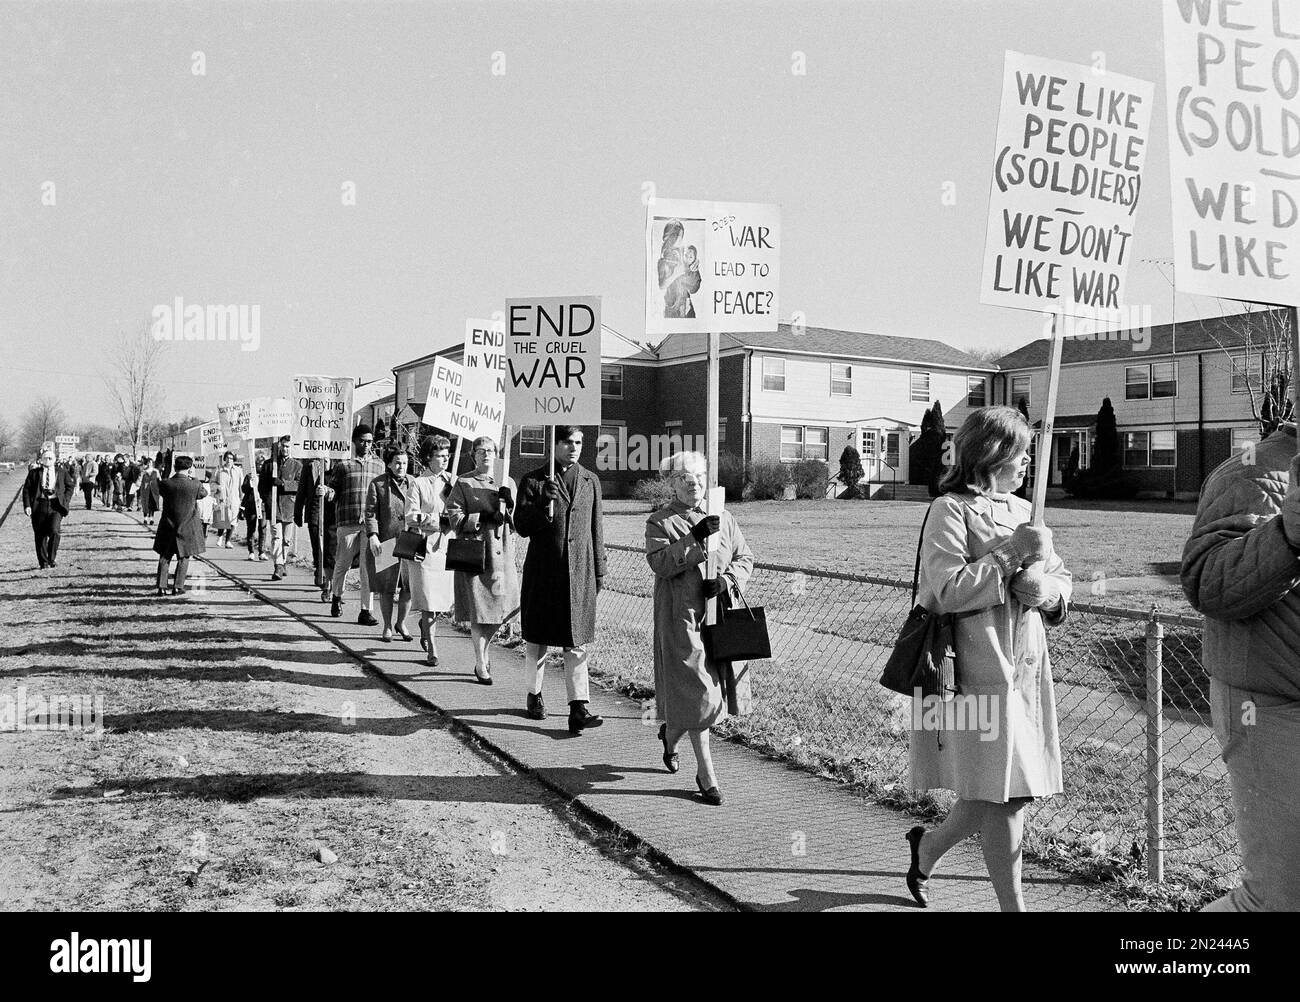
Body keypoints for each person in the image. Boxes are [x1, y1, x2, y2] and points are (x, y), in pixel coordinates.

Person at [903, 406, 1071, 912]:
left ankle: (926, 848)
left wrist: (1047, 591)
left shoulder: (1025, 512)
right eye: (1020, 454)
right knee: (1006, 795)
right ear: (993, 453)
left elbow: (1061, 580)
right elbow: (949, 589)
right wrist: (1008, 557)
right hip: (973, 671)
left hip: (1025, 668)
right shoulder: (949, 510)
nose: (1026, 465)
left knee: (994, 790)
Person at [1181, 416, 1300, 911]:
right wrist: (1288, 536)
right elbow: (1207, 581)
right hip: (1271, 704)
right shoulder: (1253, 473)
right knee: (1278, 899)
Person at [646, 451, 754, 805]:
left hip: (718, 617)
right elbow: (660, 564)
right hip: (681, 619)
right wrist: (693, 538)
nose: (694, 484)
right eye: (686, 479)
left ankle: (670, 736)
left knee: (702, 696)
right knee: (700, 692)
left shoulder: (723, 516)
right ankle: (706, 774)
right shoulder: (660, 521)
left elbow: (745, 558)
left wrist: (725, 581)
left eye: (699, 478)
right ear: (672, 483)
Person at [514, 426, 607, 734]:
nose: (574, 447)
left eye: (578, 442)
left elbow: (596, 529)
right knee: (538, 640)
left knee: (576, 641)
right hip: (543, 571)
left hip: (579, 573)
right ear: (554, 444)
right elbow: (522, 526)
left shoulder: (590, 480)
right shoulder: (534, 480)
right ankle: (534, 694)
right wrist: (542, 505)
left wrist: (600, 570)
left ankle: (578, 708)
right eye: (567, 442)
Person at [448, 436, 519, 684]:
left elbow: (518, 522)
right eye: (480, 451)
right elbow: (453, 517)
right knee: (479, 611)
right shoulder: (464, 482)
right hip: (477, 553)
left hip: (502, 556)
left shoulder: (506, 480)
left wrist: (510, 508)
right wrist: (479, 516)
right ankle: (480, 662)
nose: (486, 454)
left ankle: (485, 650)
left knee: (502, 608)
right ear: (473, 455)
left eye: (490, 450)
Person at [404, 435, 457, 666]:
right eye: (440, 455)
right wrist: (438, 519)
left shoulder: (453, 482)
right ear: (428, 457)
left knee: (440, 601)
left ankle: (426, 625)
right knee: (428, 599)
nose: (445, 459)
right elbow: (410, 516)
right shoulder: (418, 483)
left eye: (447, 455)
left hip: (446, 547)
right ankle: (433, 648)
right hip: (424, 548)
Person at [329, 424, 384, 624]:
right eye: (362, 441)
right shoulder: (343, 465)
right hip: (348, 520)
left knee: (367, 568)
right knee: (342, 563)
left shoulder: (379, 466)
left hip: (370, 524)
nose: (366, 445)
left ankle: (365, 610)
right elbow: (334, 490)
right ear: (354, 441)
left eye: (369, 441)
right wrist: (327, 492)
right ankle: (336, 596)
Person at [364, 447, 417, 642]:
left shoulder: (414, 482)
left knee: (408, 586)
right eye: (397, 462)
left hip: (410, 542)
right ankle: (387, 626)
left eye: (404, 463)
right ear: (389, 464)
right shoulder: (378, 484)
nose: (401, 466)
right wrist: (373, 536)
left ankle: (401, 623)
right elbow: (370, 513)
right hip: (387, 541)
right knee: (387, 587)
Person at [152, 454, 208, 596]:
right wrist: (195, 477)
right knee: (184, 557)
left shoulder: (166, 483)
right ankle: (178, 586)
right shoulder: (194, 484)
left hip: (168, 525)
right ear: (189, 468)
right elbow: (204, 493)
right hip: (187, 525)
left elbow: (162, 489)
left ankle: (161, 587)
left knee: (165, 557)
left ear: (175, 467)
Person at [22, 448, 75, 569]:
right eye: (45, 458)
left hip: (55, 506)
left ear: (55, 460)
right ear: (41, 460)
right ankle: (43, 562)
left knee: (54, 531)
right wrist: (27, 505)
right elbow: (26, 490)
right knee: (40, 535)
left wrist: (65, 501)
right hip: (39, 505)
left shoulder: (62, 472)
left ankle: (52, 558)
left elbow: (70, 486)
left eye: (50, 458)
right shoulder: (34, 473)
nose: (48, 460)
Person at [294, 455, 336, 602]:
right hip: (315, 513)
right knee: (318, 549)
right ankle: (321, 573)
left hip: (334, 515)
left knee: (332, 553)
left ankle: (331, 587)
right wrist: (298, 512)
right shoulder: (310, 465)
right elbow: (302, 489)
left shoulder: (340, 464)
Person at [260, 435, 301, 581]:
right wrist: (267, 498)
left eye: (288, 446)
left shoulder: (297, 465)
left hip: (290, 506)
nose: (285, 449)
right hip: (274, 506)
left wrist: (283, 484)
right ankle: (277, 565)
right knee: (276, 536)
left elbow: (299, 485)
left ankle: (283, 562)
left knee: (286, 540)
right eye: (283, 446)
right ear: (279, 447)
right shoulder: (269, 465)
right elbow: (261, 487)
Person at [239, 456, 268, 561]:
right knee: (251, 529)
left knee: (263, 529)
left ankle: (262, 551)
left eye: (262, 464)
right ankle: (251, 551)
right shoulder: (249, 476)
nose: (260, 466)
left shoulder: (266, 477)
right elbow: (244, 489)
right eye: (258, 464)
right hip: (251, 506)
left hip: (262, 506)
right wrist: (250, 483)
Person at [212, 451, 241, 548]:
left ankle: (228, 540)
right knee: (222, 518)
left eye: (231, 458)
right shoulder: (219, 470)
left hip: (234, 498)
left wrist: (242, 499)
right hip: (222, 498)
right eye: (227, 458)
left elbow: (241, 486)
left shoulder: (238, 470)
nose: (229, 460)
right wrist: (217, 487)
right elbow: (212, 482)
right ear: (224, 459)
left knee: (233, 520)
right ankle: (220, 536)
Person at [137, 457, 161, 527]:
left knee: (152, 504)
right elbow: (139, 480)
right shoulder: (143, 471)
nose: (150, 464)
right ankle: (145, 518)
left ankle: (151, 519)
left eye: (151, 463)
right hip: (145, 489)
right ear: (146, 464)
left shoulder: (156, 471)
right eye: (148, 463)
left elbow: (159, 479)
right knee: (145, 503)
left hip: (154, 489)